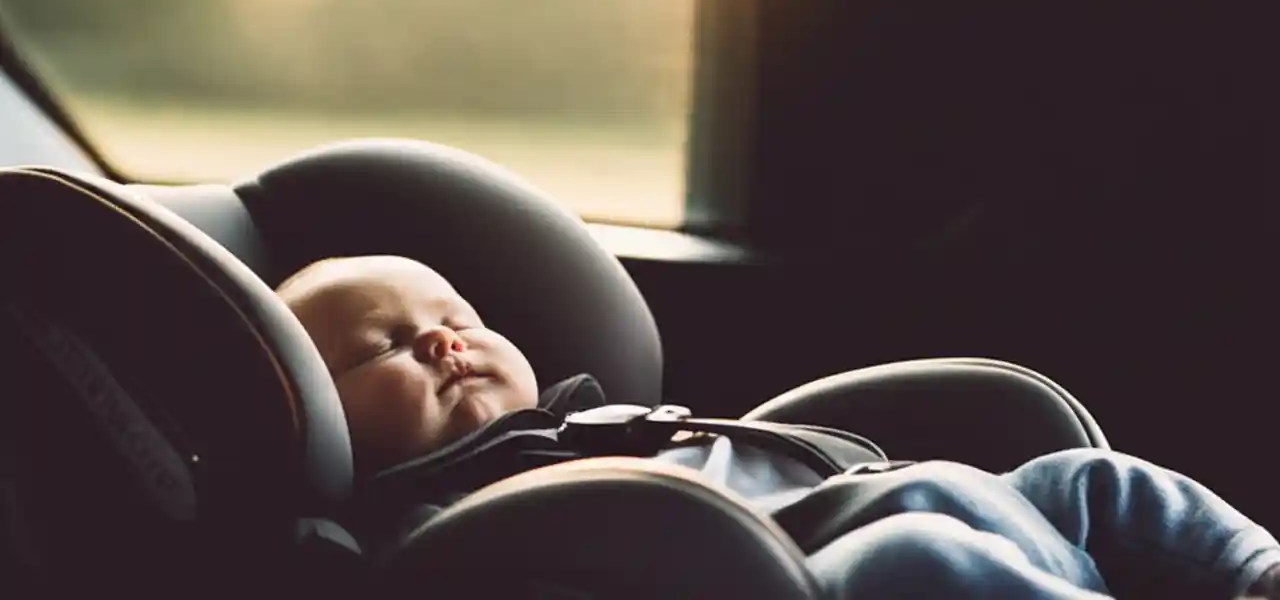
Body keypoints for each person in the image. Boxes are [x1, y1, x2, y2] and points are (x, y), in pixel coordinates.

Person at [277, 254, 1280, 599]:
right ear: (320, 419)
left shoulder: (599, 420)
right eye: (385, 347)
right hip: (797, 577)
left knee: (1077, 478)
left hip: (897, 497)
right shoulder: (423, 526)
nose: (446, 344)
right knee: (912, 550)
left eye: (457, 321)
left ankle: (1249, 570)